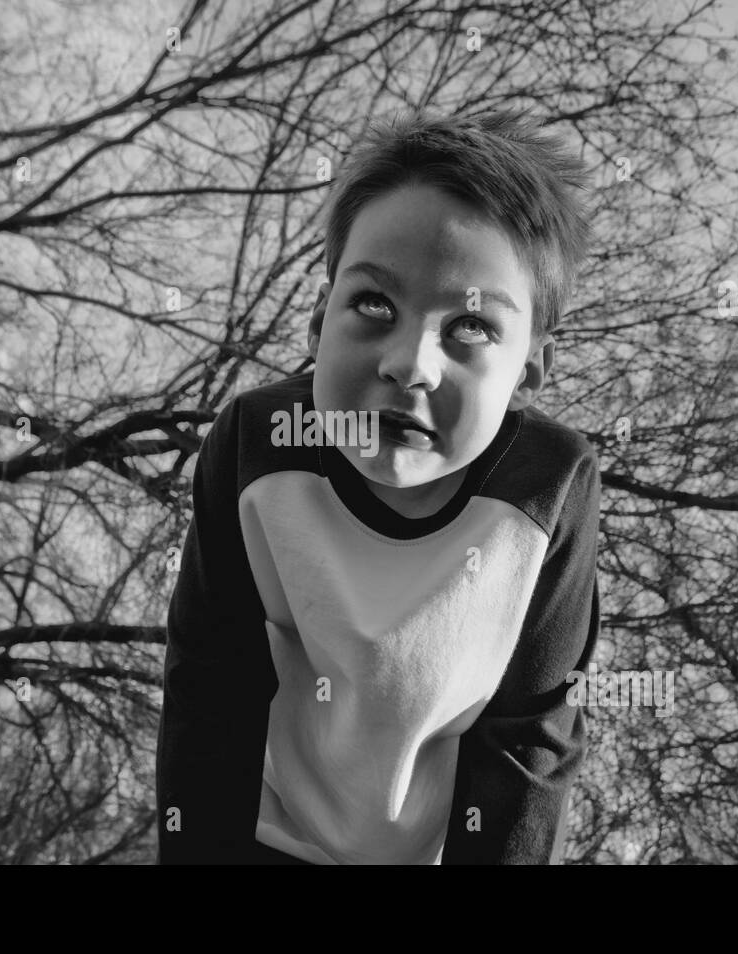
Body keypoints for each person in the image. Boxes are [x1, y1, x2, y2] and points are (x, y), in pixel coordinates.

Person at [156, 106, 601, 864]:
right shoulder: (257, 445)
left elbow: (528, 741)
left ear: (529, 371)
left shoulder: (550, 488)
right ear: (319, 323)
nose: (411, 363)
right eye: (373, 305)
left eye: (470, 328)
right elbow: (210, 691)